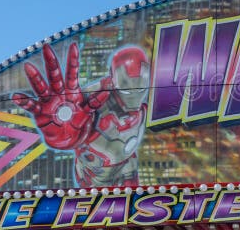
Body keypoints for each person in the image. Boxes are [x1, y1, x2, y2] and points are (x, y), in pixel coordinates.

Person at [12, 43, 150, 187]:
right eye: (127, 84)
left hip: (127, 166)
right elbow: (70, 121)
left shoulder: (143, 105)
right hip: (97, 177)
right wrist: (61, 131)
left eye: (141, 81)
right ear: (113, 77)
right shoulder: (92, 100)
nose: (135, 91)